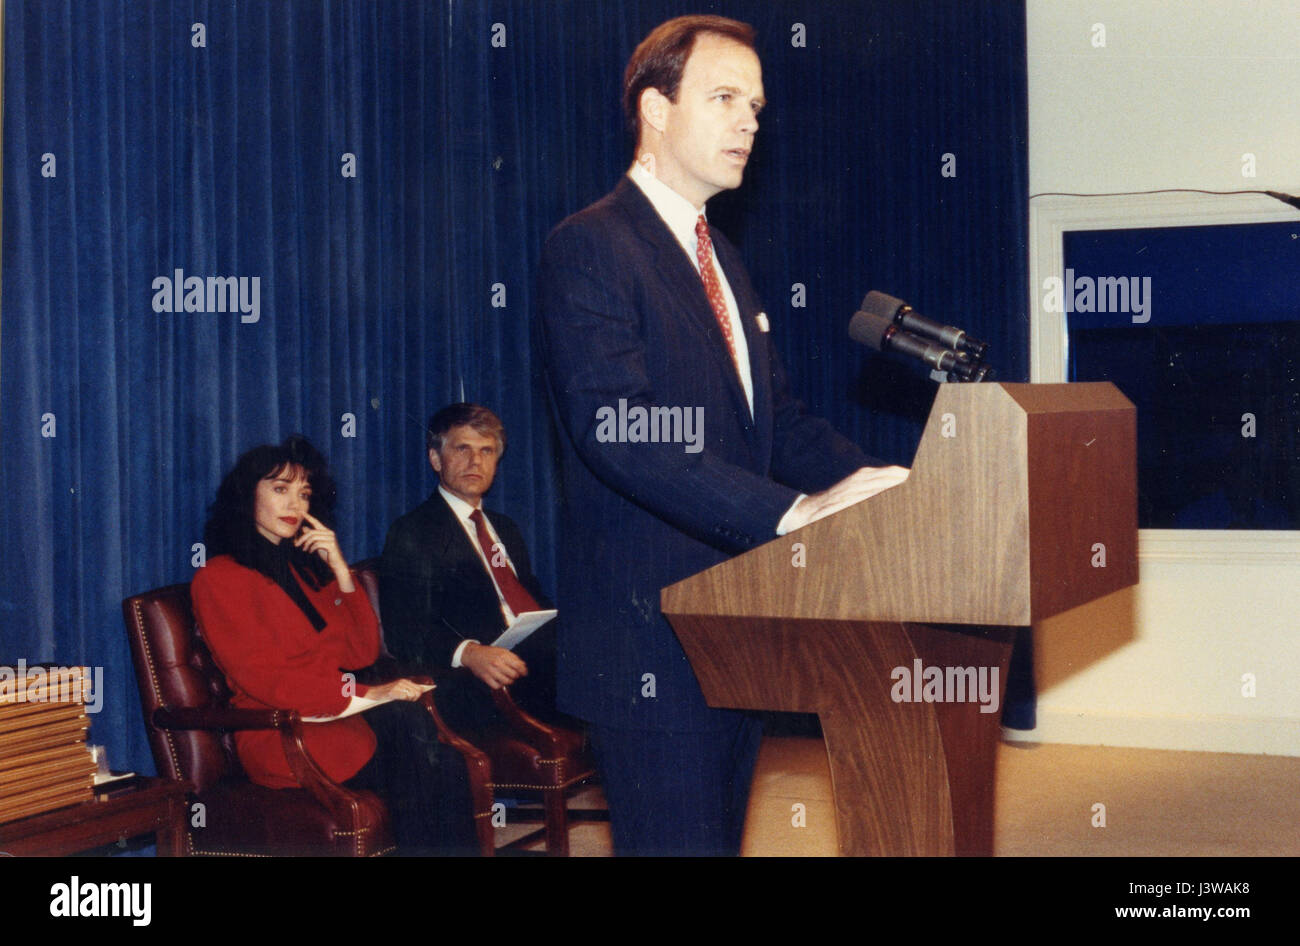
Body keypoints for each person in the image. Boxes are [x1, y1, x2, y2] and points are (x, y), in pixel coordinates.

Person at [535, 15, 910, 855]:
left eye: (757, 105)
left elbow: (782, 426)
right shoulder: (591, 247)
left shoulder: (726, 260)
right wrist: (789, 515)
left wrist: (895, 487)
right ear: (655, 109)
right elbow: (620, 429)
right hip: (652, 643)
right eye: (725, 98)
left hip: (738, 632)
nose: (750, 121)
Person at [190, 435, 479, 855]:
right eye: (280, 489)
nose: (295, 505)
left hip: (337, 721)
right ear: (245, 496)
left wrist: (340, 568)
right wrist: (369, 694)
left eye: (304, 494)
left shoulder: (303, 570)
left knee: (445, 760)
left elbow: (359, 652)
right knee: (411, 731)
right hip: (283, 733)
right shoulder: (219, 578)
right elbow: (269, 680)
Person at [379, 403, 559, 734]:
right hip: (475, 678)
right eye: (463, 448)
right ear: (436, 459)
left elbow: (533, 599)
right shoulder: (412, 531)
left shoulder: (506, 529)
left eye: (486, 451)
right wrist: (470, 653)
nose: (476, 462)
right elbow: (405, 630)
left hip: (533, 661)